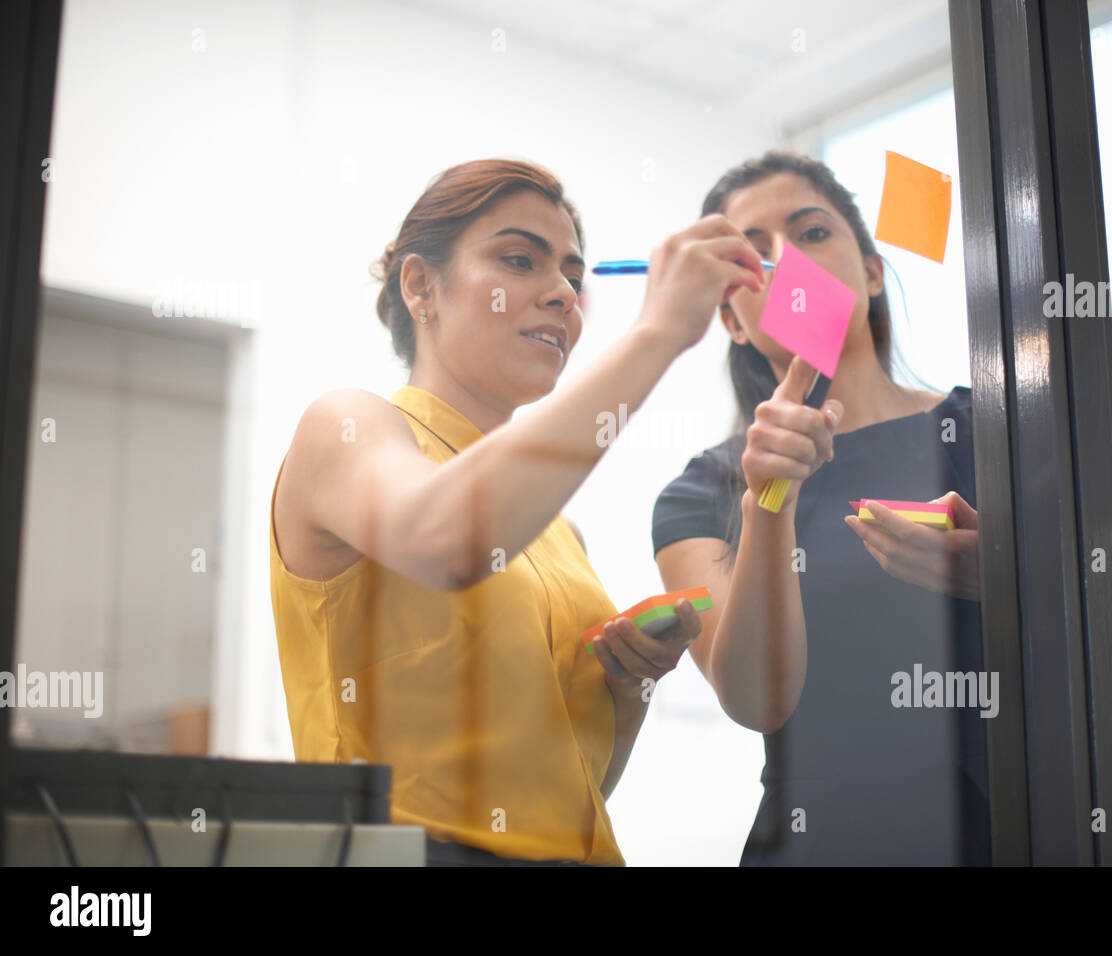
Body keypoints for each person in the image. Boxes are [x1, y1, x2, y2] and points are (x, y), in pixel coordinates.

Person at [652, 150, 1112, 865]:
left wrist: (1012, 583)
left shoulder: (1008, 437)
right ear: (731, 319)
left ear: (870, 273)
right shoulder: (699, 495)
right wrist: (769, 500)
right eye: (754, 252)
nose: (786, 264)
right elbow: (755, 700)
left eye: (811, 233)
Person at [269, 158, 766, 865]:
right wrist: (657, 333)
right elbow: (446, 537)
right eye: (518, 260)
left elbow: (582, 790)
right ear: (420, 286)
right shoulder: (347, 428)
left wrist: (630, 689)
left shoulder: (559, 531)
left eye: (571, 273)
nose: (562, 293)